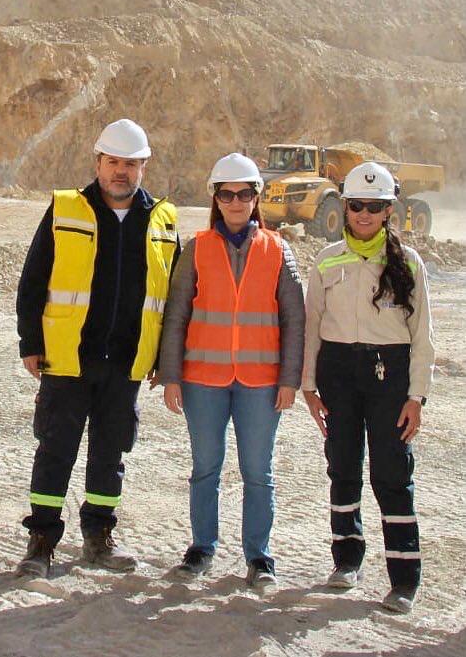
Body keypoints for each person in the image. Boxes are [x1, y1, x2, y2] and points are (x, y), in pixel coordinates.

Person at [13, 118, 179, 577]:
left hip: (126, 362)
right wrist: (31, 342)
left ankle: (99, 536)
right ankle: (41, 541)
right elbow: (33, 280)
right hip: (68, 357)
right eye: (113, 162)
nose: (120, 172)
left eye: (130, 163)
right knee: (55, 449)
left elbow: (169, 299)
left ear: (144, 167)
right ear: (98, 163)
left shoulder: (162, 220)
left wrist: (162, 358)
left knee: (111, 452)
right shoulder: (67, 208)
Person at [159, 153, 305, 587]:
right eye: (227, 194)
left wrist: (289, 380)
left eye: (244, 194)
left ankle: (259, 557)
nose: (236, 202)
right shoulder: (197, 247)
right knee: (206, 467)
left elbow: (294, 319)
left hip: (261, 384)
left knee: (258, 472)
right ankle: (201, 549)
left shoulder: (278, 249)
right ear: (216, 198)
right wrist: (170, 375)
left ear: (256, 197)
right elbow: (176, 314)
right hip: (202, 380)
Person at [302, 162, 434, 615]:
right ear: (345, 206)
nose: (364, 214)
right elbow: (312, 328)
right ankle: (346, 560)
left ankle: (404, 579)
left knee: (392, 474)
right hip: (338, 373)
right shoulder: (326, 259)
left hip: (389, 377)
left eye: (374, 207)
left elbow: (422, 337)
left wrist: (416, 397)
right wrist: (308, 386)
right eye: (357, 205)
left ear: (388, 210)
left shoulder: (408, 263)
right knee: (343, 466)